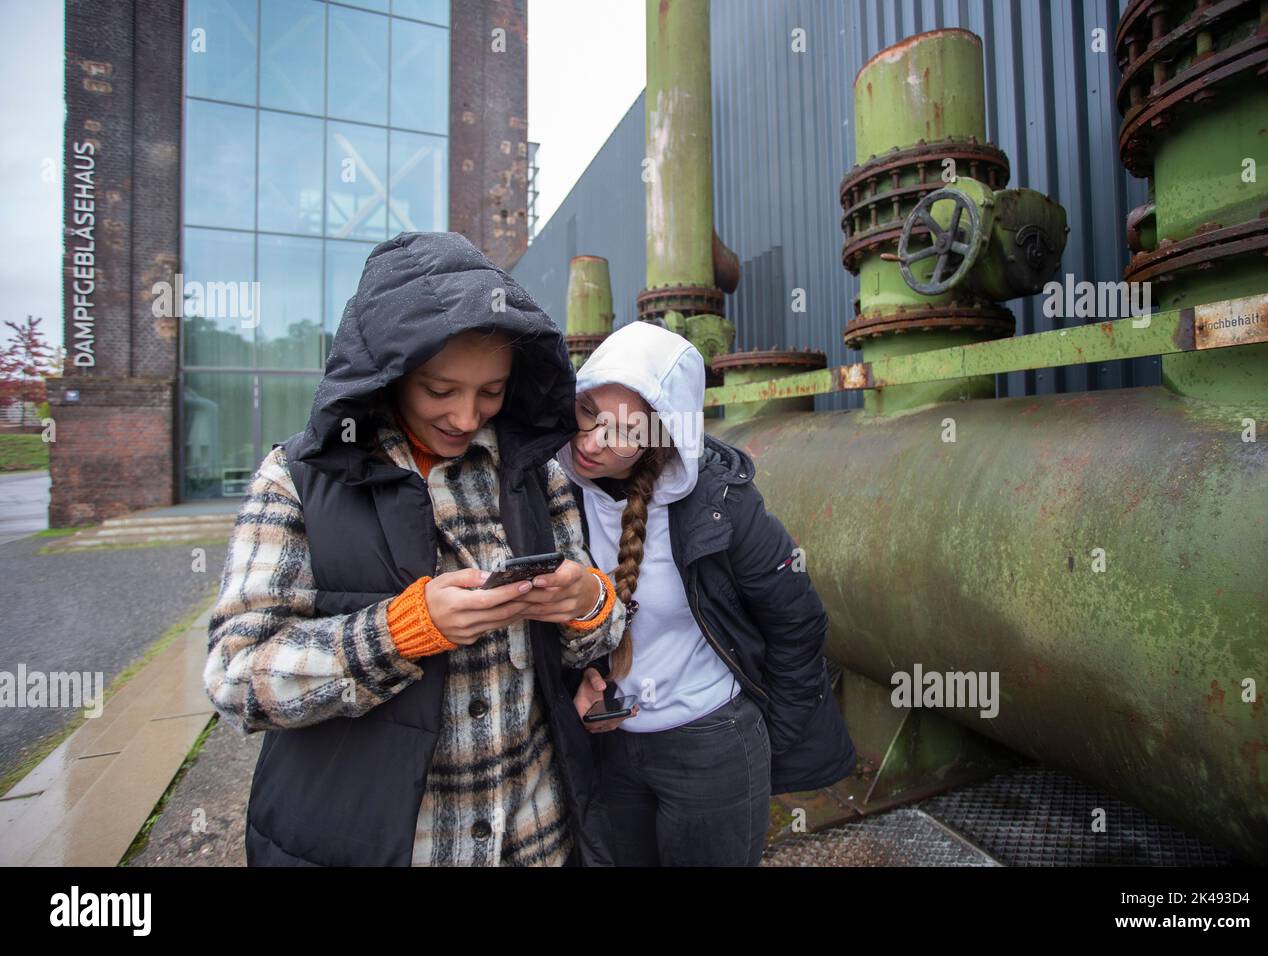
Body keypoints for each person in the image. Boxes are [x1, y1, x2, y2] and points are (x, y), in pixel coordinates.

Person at [204, 231, 626, 867]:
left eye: (492, 391)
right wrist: (402, 631)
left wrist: (589, 603)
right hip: (386, 844)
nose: (465, 416)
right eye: (439, 390)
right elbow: (237, 678)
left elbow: (593, 641)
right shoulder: (296, 478)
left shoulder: (535, 473)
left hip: (535, 837)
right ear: (390, 372)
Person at [557, 320, 858, 867]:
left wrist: (775, 738)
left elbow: (797, 620)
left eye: (624, 430)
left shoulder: (722, 503)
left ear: (663, 436)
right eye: (588, 413)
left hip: (711, 747)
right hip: (610, 748)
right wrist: (575, 684)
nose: (593, 441)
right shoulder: (552, 494)